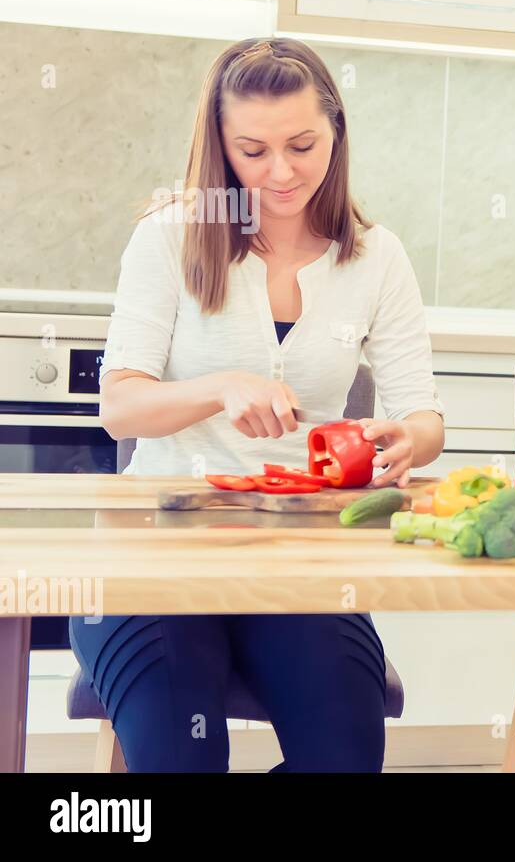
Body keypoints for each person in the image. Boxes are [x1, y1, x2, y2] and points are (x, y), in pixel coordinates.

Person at [80, 38, 446, 771]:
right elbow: (119, 407)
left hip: (302, 554)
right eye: (252, 150)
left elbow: (424, 417)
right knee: (182, 758)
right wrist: (220, 386)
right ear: (219, 146)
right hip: (155, 552)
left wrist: (407, 438)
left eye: (302, 144)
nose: (280, 172)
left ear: (335, 131)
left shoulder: (377, 257)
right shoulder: (168, 237)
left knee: (342, 756)